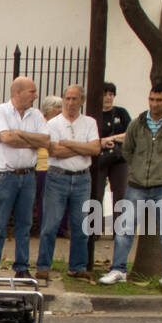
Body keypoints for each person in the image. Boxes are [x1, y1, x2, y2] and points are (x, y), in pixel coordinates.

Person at [98, 82, 162, 287]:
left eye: (159, 100)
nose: (154, 104)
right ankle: (118, 269)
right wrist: (136, 168)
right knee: (125, 228)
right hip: (137, 184)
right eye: (151, 99)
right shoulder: (138, 123)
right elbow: (128, 149)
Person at [0, 77, 50, 279]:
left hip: (28, 175)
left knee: (25, 224)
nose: (35, 95)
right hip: (5, 176)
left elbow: (45, 140)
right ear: (18, 92)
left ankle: (22, 267)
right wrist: (30, 139)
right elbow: (6, 138)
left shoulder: (36, 114)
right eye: (32, 91)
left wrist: (19, 133)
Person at [36, 84, 100, 280]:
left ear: (82, 101)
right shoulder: (53, 124)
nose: (71, 103)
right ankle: (43, 265)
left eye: (75, 99)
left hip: (82, 177)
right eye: (68, 98)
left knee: (80, 225)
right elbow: (54, 151)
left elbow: (95, 149)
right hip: (57, 176)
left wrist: (69, 144)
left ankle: (77, 266)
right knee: (51, 224)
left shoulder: (89, 122)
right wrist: (83, 147)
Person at [89, 81, 131, 269]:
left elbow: (129, 133)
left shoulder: (121, 113)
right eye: (105, 93)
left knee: (119, 193)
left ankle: (118, 229)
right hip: (99, 158)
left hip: (119, 158)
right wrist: (101, 142)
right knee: (96, 192)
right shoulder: (93, 114)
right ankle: (94, 230)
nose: (108, 97)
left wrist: (112, 138)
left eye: (111, 93)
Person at [33, 95, 62, 253]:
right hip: (42, 165)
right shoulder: (42, 124)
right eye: (56, 107)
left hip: (57, 164)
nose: (59, 110)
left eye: (60, 107)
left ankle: (60, 229)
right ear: (48, 109)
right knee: (44, 199)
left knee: (58, 200)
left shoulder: (59, 124)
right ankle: (44, 227)